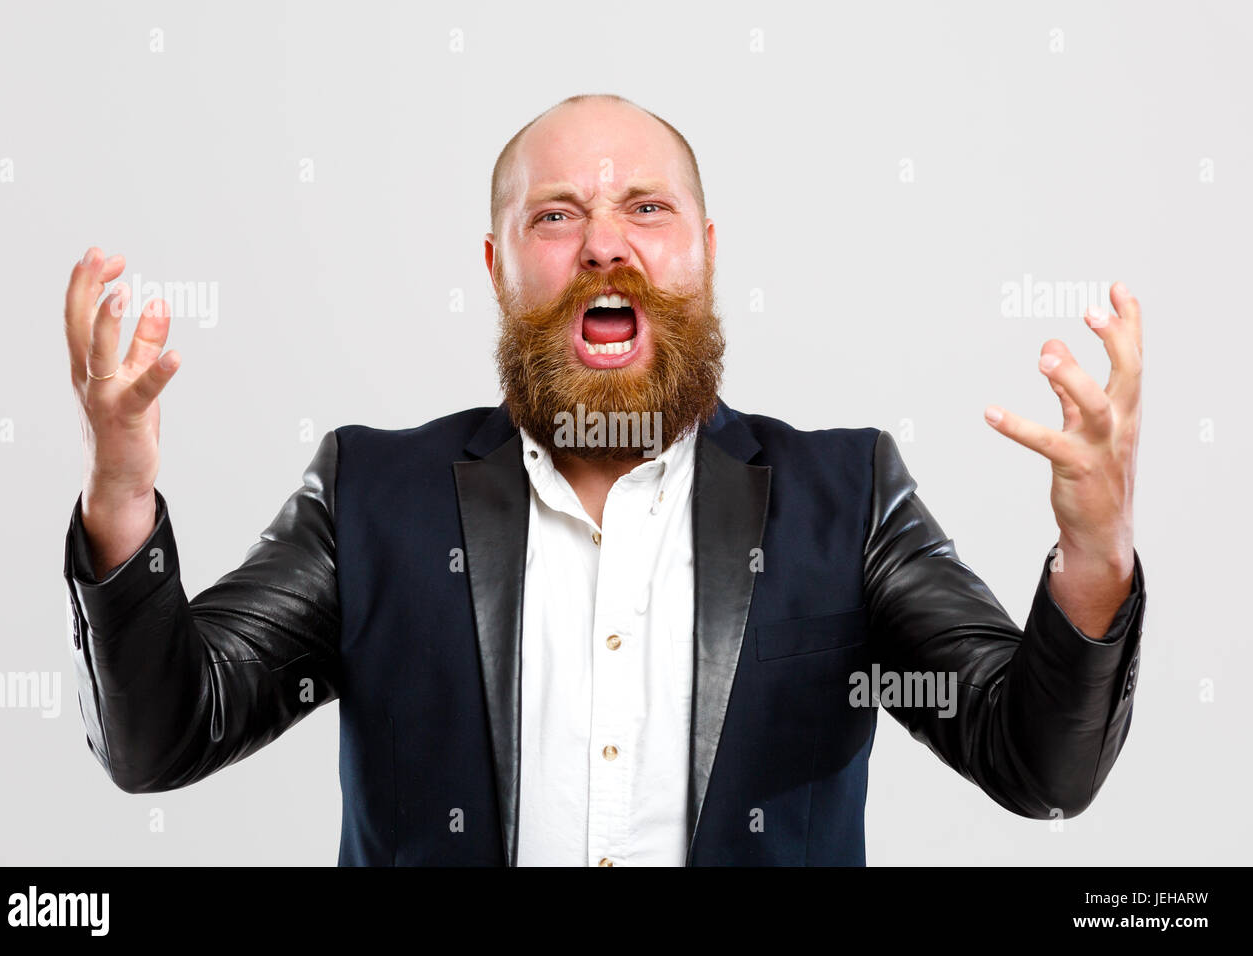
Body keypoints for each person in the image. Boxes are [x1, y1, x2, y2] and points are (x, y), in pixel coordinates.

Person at [62, 93, 1145, 866]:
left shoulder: (841, 492)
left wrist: (1093, 556)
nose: (603, 247)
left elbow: (1038, 765)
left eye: (646, 208)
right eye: (555, 214)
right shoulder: (373, 494)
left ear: (704, 254)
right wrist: (120, 496)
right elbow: (160, 737)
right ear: (496, 265)